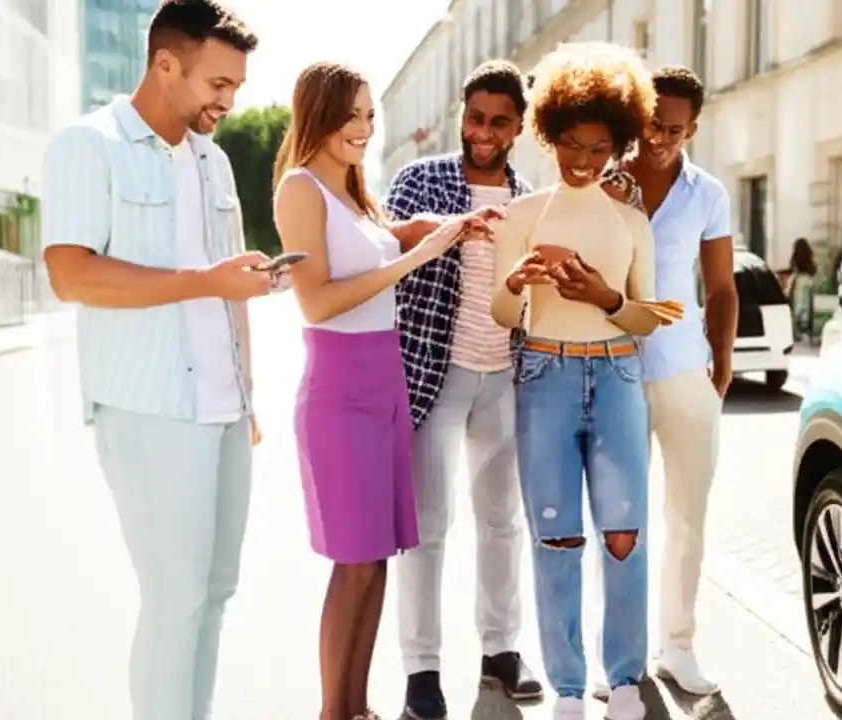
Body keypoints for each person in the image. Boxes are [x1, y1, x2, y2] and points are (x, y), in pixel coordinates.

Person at [39, 2, 265, 718]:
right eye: (218, 84)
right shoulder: (88, 145)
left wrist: (249, 395)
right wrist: (206, 281)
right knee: (173, 601)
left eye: (236, 87)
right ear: (166, 63)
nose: (229, 101)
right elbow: (72, 275)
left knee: (214, 596)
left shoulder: (213, 158)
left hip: (226, 408)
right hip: (150, 408)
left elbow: (228, 285)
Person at [271, 61, 499, 720]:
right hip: (340, 392)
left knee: (375, 563)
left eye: (371, 115)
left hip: (384, 383)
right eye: (353, 116)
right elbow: (316, 301)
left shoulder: (349, 189)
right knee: (354, 563)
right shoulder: (301, 188)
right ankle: (332, 713)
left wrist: (428, 228)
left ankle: (358, 708)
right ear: (319, 113)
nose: (365, 129)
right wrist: (414, 259)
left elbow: (370, 247)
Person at [490, 41, 668, 720]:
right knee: (555, 536)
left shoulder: (630, 220)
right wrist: (516, 280)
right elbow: (503, 312)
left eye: (599, 147)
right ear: (548, 135)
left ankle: (623, 678)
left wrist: (606, 298)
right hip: (543, 373)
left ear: (620, 142)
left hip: (620, 375)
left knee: (624, 535)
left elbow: (649, 316)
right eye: (571, 143)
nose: (584, 160)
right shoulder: (522, 215)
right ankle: (567, 688)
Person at [383, 60, 542, 720]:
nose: (483, 131)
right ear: (462, 115)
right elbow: (380, 255)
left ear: (518, 126)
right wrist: (434, 233)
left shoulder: (529, 196)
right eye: (475, 117)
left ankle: (500, 649)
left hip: (503, 374)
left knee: (502, 522)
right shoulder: (420, 179)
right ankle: (422, 670)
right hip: (433, 374)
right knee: (426, 526)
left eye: (499, 121)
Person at [593, 65, 738, 699]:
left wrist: (723, 364)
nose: (660, 139)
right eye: (653, 124)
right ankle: (616, 659)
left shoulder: (708, 194)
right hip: (614, 369)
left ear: (694, 128)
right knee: (620, 522)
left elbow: (723, 287)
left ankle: (677, 647)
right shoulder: (602, 183)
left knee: (687, 518)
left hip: (684, 370)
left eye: (674, 130)